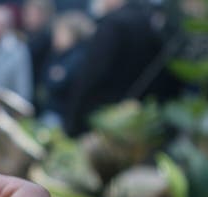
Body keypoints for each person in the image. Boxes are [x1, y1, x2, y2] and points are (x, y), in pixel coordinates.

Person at [63, 0, 168, 136]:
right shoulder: (150, 25)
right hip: (128, 120)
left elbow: (92, 74)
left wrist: (72, 121)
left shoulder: (114, 23)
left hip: (95, 116)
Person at [39, 12, 95, 128]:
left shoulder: (77, 58)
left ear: (73, 35)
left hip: (59, 117)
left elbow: (57, 83)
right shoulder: (58, 55)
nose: (56, 37)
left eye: (60, 33)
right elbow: (46, 78)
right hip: (50, 111)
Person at [22, 0, 55, 109]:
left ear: (44, 15)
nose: (27, 18)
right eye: (27, 13)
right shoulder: (28, 35)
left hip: (37, 89)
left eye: (32, 14)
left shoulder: (47, 38)